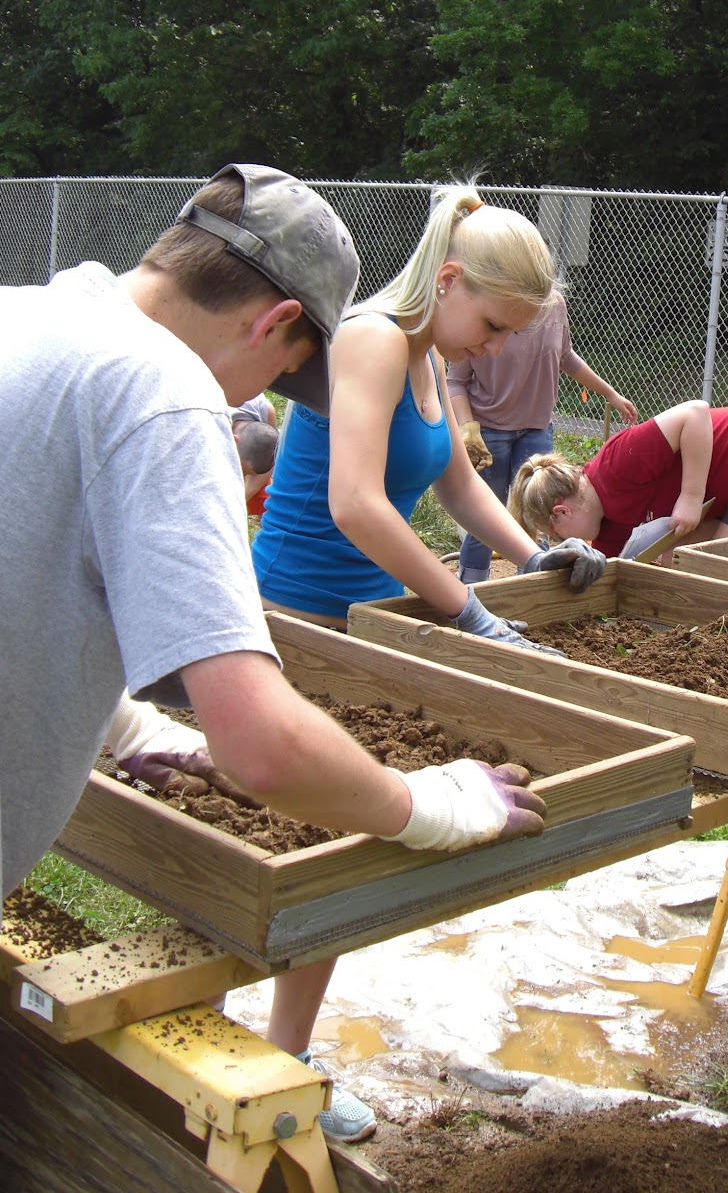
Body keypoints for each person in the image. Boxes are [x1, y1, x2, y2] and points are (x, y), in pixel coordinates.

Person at [0, 165, 548, 1141]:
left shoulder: (25, 317)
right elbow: (259, 746)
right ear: (273, 320)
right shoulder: (164, 393)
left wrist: (124, 722)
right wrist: (431, 803)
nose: (265, 401)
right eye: (285, 376)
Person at [250, 184, 606, 1136]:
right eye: (491, 325)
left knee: (346, 843)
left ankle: (283, 1053)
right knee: (316, 845)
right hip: (294, 619)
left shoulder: (429, 362)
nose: (492, 348)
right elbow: (357, 505)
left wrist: (541, 559)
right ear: (446, 279)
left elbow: (457, 486)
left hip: (364, 624)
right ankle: (270, 1060)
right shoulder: (370, 339)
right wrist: (469, 610)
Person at [447, 288, 638, 583]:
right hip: (488, 432)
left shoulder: (555, 304)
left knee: (538, 515)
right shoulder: (483, 305)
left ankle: (535, 590)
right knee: (485, 516)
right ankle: (472, 593)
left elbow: (566, 356)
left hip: (536, 428)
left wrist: (610, 393)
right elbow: (456, 382)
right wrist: (467, 429)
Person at [507, 401, 728, 562]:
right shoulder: (607, 530)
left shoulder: (616, 465)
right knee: (697, 559)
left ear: (561, 513)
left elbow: (695, 412)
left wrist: (691, 496)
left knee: (724, 565)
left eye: (556, 536)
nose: (565, 542)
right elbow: (616, 570)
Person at [233, 416, 279, 515]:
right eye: (242, 470)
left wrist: (241, 499)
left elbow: (271, 458)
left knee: (273, 501)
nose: (243, 475)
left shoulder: (266, 411)